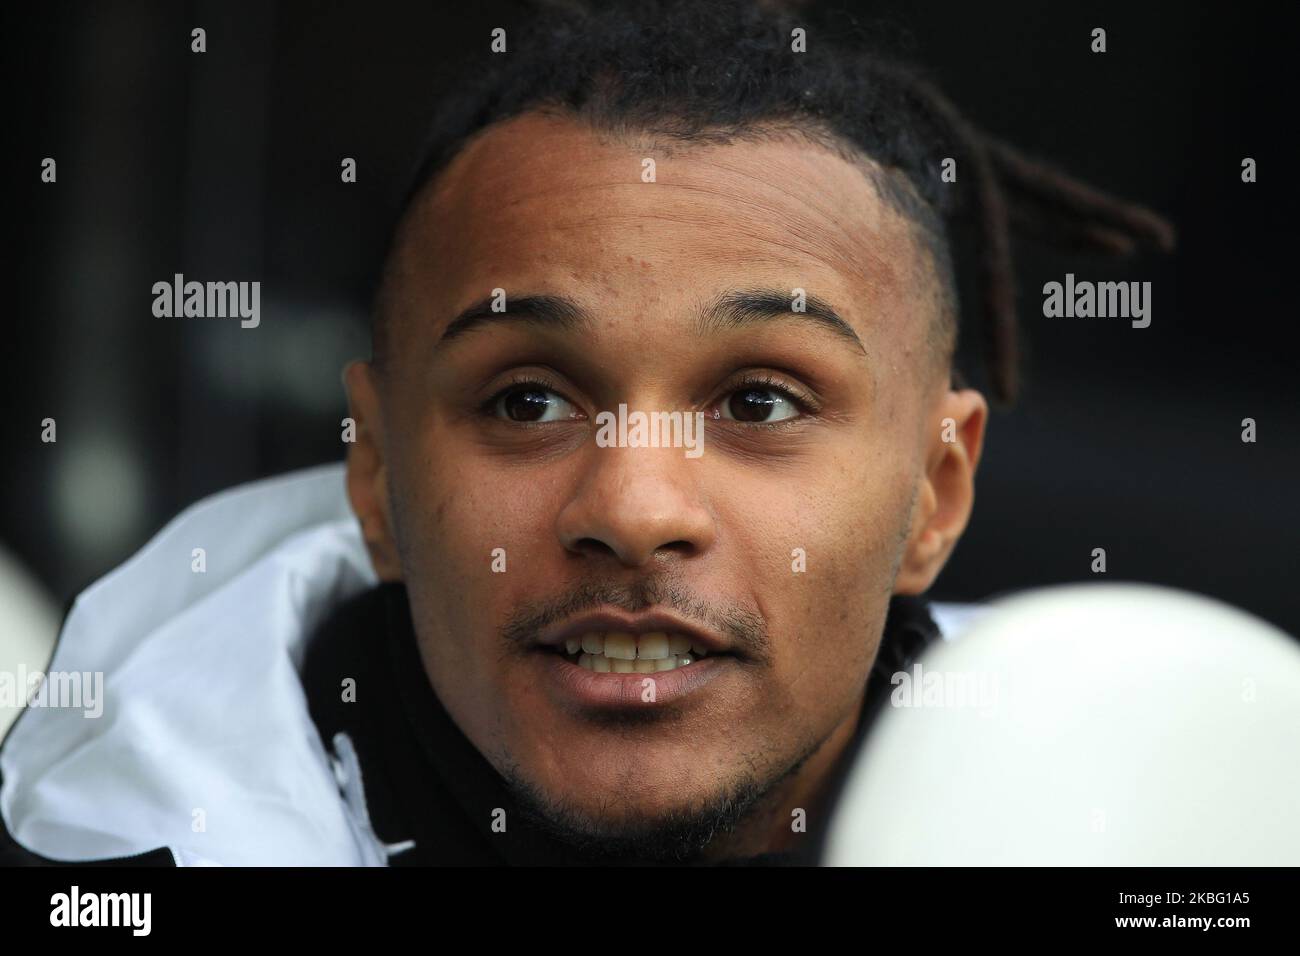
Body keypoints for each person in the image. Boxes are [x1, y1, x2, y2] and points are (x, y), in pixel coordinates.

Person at [0, 0, 1171, 866]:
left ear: (935, 494)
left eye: (758, 401)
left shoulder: (1182, 813)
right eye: (527, 401)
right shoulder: (108, 857)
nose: (633, 509)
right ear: (375, 471)